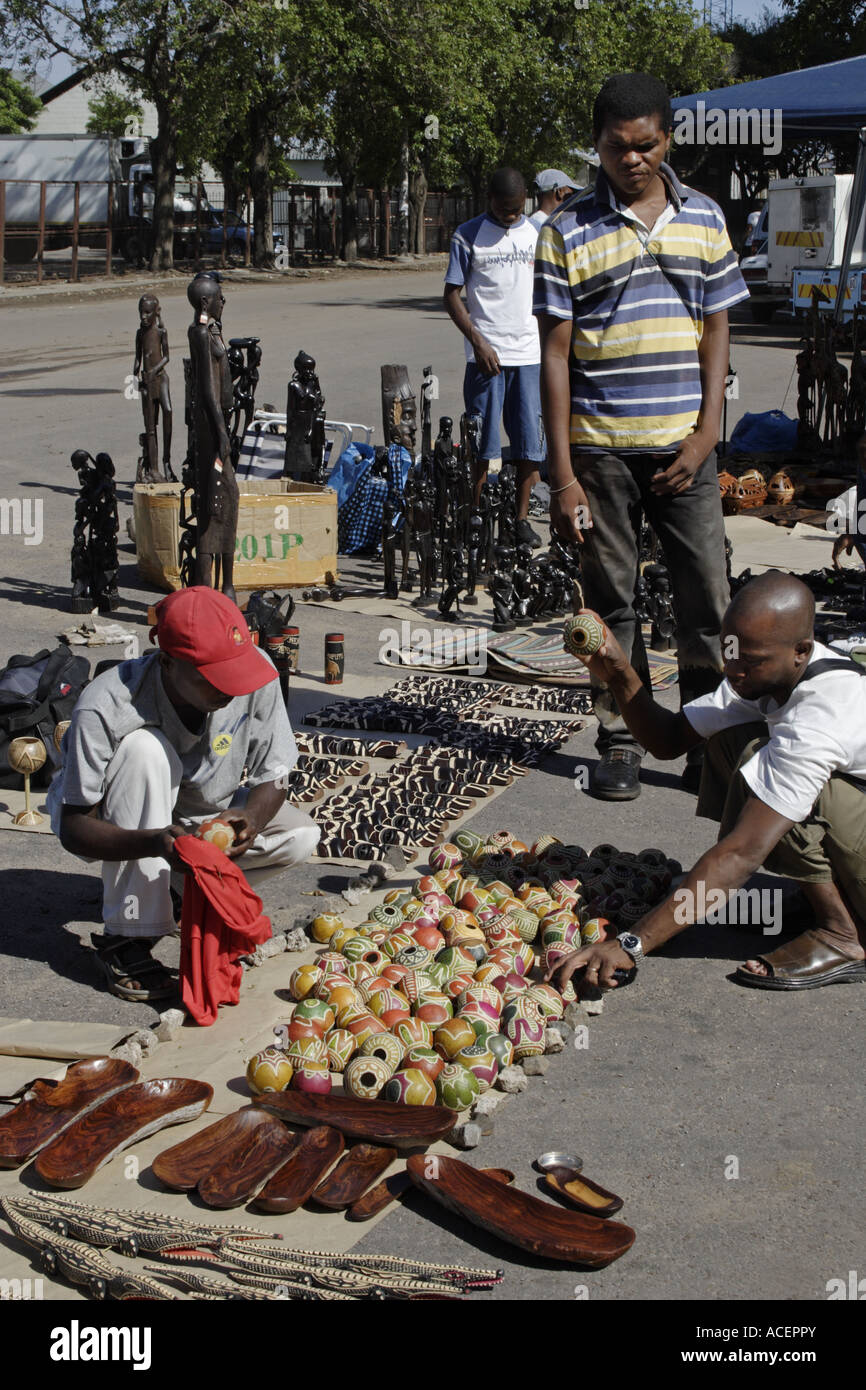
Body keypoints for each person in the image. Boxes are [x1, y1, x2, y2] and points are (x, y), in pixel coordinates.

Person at [534, 72, 750, 800]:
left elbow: (717, 329)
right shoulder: (564, 231)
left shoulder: (706, 219)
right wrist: (562, 476)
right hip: (599, 453)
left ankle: (704, 743)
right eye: (617, 147)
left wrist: (706, 434)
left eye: (646, 146)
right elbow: (556, 356)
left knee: (707, 601)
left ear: (668, 138)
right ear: (595, 143)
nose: (632, 160)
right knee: (610, 601)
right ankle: (621, 735)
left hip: (686, 445)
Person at [547, 572, 866, 994]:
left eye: (747, 660)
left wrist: (631, 944)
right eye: (727, 651)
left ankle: (843, 934)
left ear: (800, 651)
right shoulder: (763, 671)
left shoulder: (819, 718)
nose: (731, 669)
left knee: (763, 767)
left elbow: (740, 854)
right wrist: (619, 673)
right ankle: (823, 898)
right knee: (735, 742)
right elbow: (669, 740)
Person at [49, 586, 320, 1001]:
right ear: (168, 662)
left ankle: (175, 895)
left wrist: (252, 819)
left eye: (235, 669)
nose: (230, 686)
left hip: (195, 818)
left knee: (300, 836)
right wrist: (155, 843)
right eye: (214, 676)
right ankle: (128, 937)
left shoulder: (253, 675)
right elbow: (73, 828)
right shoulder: (107, 704)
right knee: (146, 751)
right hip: (118, 818)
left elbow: (276, 774)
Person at [444, 166, 545, 549]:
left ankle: (519, 520)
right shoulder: (468, 236)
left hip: (529, 355)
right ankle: (474, 515)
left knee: (528, 445)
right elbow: (451, 295)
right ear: (490, 200)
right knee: (481, 445)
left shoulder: (536, 234)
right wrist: (478, 340)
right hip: (486, 359)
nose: (511, 215)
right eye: (505, 209)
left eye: (518, 209)